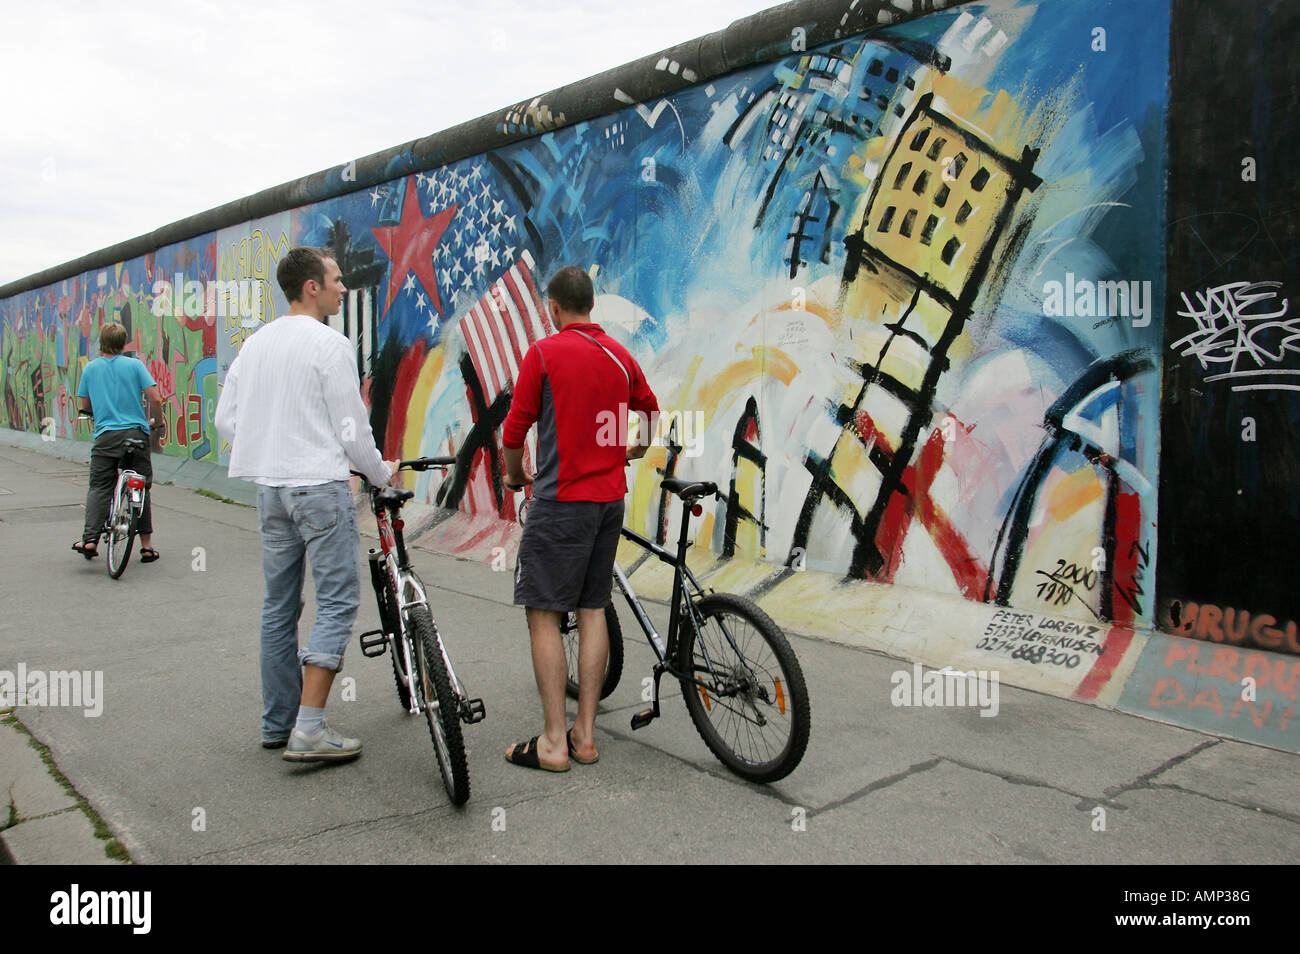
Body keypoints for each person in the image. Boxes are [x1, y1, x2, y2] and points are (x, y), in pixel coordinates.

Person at [215, 246, 398, 762]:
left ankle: (279, 721)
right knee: (337, 601)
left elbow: (226, 422)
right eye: (337, 280)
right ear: (311, 286)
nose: (344, 288)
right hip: (318, 486)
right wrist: (380, 474)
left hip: (270, 489)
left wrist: (272, 445)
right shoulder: (329, 345)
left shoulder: (255, 345)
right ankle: (310, 729)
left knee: (280, 605)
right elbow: (352, 430)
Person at [501, 265, 659, 771]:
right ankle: (585, 737)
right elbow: (652, 412)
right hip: (609, 502)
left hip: (560, 504)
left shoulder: (544, 354)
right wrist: (633, 447)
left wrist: (514, 476)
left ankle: (552, 742)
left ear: (553, 308)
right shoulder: (619, 355)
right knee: (593, 608)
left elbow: (512, 432)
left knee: (544, 612)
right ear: (592, 305)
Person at [72, 323, 163, 562]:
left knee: (100, 487)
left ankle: (90, 540)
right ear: (124, 343)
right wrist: (158, 421)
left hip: (106, 437)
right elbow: (155, 397)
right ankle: (146, 547)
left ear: (101, 342)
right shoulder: (134, 365)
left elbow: (84, 406)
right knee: (140, 488)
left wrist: (98, 412)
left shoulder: (91, 369)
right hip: (135, 434)